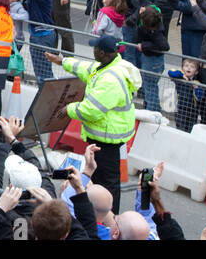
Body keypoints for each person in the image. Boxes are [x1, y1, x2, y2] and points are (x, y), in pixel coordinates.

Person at [44, 34, 140, 213]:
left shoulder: (110, 80)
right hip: (102, 138)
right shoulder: (107, 66)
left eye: (95, 48)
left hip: (106, 141)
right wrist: (61, 61)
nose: (93, 50)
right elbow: (84, 67)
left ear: (102, 53)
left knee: (107, 185)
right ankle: (101, 214)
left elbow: (91, 110)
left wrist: (67, 109)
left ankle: (110, 218)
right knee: (98, 180)